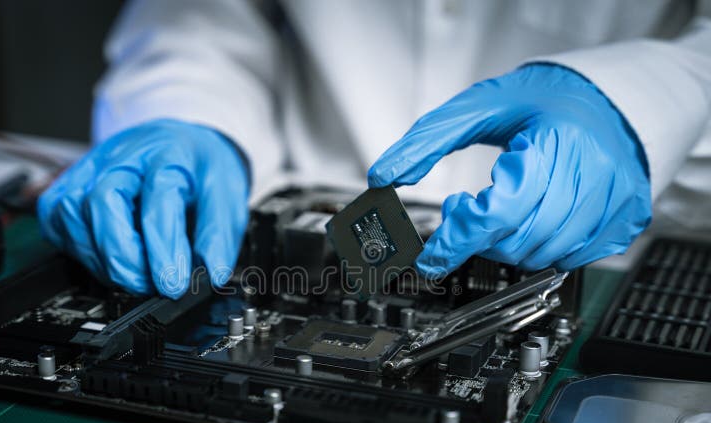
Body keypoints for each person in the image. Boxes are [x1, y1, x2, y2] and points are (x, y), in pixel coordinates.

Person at [38, 0, 711, 299]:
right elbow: (203, 21)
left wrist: (641, 106)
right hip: (294, 211)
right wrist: (189, 117)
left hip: (604, 263)